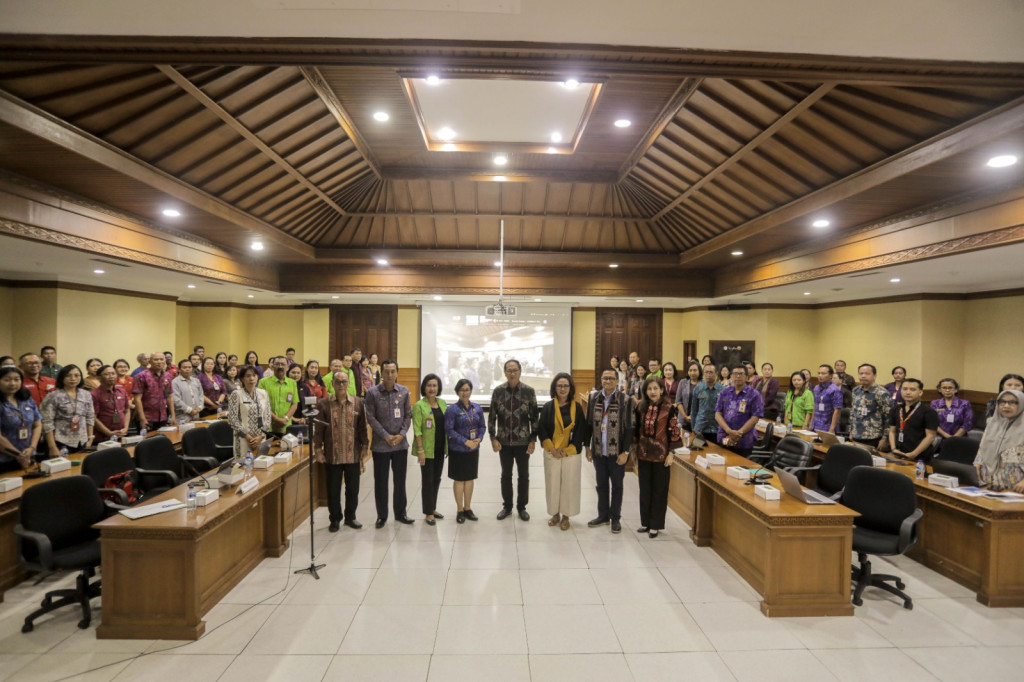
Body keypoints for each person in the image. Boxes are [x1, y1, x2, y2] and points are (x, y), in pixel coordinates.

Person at [313, 371, 368, 531]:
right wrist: (318, 449)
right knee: (333, 489)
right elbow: (319, 430)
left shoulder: (358, 403)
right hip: (332, 454)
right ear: (333, 384)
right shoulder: (324, 403)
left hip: (353, 454)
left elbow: (362, 427)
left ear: (349, 383)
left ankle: (350, 517)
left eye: (344, 382)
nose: (341, 385)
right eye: (338, 382)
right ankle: (335, 519)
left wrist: (365, 445)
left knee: (353, 489)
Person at [489, 359, 539, 521]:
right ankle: (507, 507)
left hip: (523, 442)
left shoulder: (529, 391)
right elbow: (492, 417)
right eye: (509, 370)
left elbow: (534, 418)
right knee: (506, 475)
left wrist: (533, 440)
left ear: (520, 371)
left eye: (515, 370)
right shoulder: (497, 391)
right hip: (503, 441)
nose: (512, 373)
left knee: (523, 475)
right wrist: (493, 438)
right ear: (504, 372)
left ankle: (521, 507)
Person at [539, 372, 590, 531]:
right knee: (553, 484)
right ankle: (555, 514)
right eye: (559, 386)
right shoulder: (548, 407)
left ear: (570, 388)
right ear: (555, 387)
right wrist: (552, 449)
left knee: (569, 484)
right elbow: (541, 429)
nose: (562, 389)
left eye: (565, 386)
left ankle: (566, 516)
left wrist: (568, 450)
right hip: (552, 452)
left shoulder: (577, 408)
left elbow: (582, 431)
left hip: (570, 454)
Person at [365, 359, 413, 527]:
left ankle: (401, 513)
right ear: (382, 373)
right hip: (380, 445)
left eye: (393, 371)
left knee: (400, 481)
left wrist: (401, 435)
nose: (390, 375)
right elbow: (370, 417)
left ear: (397, 373)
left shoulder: (404, 391)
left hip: (400, 445)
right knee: (381, 482)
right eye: (387, 371)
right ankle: (382, 516)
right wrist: (385, 435)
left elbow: (408, 415)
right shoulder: (372, 393)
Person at [585, 368, 633, 533]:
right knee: (601, 485)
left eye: (611, 378)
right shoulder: (594, 398)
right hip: (599, 450)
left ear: (616, 381)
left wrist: (625, 452)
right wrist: (587, 447)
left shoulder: (625, 400)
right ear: (601, 379)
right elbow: (589, 424)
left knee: (617, 486)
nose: (607, 381)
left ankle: (615, 518)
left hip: (617, 453)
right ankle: (603, 515)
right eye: (605, 378)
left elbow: (629, 428)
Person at [633, 376, 680, 539]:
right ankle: (645, 522)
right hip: (644, 453)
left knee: (659, 490)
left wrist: (672, 453)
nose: (652, 392)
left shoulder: (669, 408)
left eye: (655, 388)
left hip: (662, 455)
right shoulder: (641, 407)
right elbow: (636, 430)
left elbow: (674, 432)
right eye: (649, 389)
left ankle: (656, 524)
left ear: (661, 390)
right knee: (644, 488)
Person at [445, 378, 486, 524]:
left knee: (469, 479)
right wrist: (465, 441)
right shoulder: (452, 410)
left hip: (473, 449)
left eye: (467, 389)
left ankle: (468, 508)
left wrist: (479, 439)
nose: (465, 392)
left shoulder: (477, 408)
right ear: (457, 392)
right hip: (458, 450)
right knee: (459, 480)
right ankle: (459, 510)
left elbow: (482, 426)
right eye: (462, 390)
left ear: (471, 391)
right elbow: (449, 430)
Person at [413, 373, 447, 525]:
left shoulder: (442, 403)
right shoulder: (419, 405)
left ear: (438, 387)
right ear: (424, 388)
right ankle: (428, 512)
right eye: (429, 385)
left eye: (434, 385)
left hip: (440, 448)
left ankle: (432, 508)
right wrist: (420, 450)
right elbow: (417, 430)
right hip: (426, 450)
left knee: (437, 479)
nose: (432, 388)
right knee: (427, 481)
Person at [40, 364, 95, 457]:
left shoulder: (86, 394)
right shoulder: (53, 396)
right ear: (62, 377)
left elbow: (90, 416)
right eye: (68, 375)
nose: (73, 378)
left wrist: (90, 438)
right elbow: (47, 422)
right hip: (60, 441)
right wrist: (52, 447)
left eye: (77, 375)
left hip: (82, 440)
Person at [975, 389, 1024, 492]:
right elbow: (982, 448)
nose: (1006, 406)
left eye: (1012, 402)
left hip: (1016, 486)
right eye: (1002, 402)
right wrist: (976, 464)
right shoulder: (992, 423)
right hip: (987, 481)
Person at [715, 365, 764, 457]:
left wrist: (737, 434)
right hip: (724, 436)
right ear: (731, 376)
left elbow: (755, 418)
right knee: (721, 467)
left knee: (741, 469)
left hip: (744, 440)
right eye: (735, 374)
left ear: (747, 377)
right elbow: (717, 414)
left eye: (741, 374)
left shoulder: (754, 395)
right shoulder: (724, 392)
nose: (738, 376)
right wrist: (728, 430)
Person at [0, 366, 42, 472]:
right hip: (5, 460)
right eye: (7, 380)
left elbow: (37, 424)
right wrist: (19, 455)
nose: (12, 383)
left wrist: (32, 448)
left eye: (16, 379)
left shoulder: (26, 398)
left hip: (28, 454)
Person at [888, 378, 939, 463]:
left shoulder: (929, 412)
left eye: (912, 389)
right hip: (898, 454)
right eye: (904, 389)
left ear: (920, 392)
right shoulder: (896, 409)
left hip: (920, 457)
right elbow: (892, 431)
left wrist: (913, 454)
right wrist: (893, 449)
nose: (908, 392)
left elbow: (930, 437)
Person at [227, 365, 271, 458]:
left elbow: (267, 416)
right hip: (243, 439)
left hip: (260, 438)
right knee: (243, 467)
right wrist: (248, 437)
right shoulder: (237, 394)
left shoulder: (263, 393)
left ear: (257, 377)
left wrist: (261, 436)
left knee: (261, 466)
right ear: (242, 379)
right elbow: (232, 419)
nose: (251, 378)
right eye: (248, 376)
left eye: (254, 375)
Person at [848, 363, 894, 450]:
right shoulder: (856, 390)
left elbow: (889, 418)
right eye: (861, 373)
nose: (863, 376)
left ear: (874, 375)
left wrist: (885, 439)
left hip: (873, 437)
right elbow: (852, 412)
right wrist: (851, 431)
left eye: (867, 373)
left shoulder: (882, 393)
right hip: (856, 434)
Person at [133, 350, 176, 430]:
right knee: (147, 442)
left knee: (162, 440)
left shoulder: (168, 376)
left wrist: (173, 415)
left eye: (161, 359)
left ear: (165, 361)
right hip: (147, 417)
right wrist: (142, 419)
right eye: (156, 360)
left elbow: (169, 396)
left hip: (163, 416)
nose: (159, 362)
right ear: (150, 361)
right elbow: (137, 399)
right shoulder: (141, 376)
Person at [258, 357, 299, 439]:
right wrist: (276, 419)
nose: (280, 366)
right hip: (269, 427)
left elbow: (294, 403)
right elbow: (261, 404)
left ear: (287, 367)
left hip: (287, 426)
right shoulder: (263, 382)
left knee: (287, 450)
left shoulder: (292, 383)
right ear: (272, 367)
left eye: (283, 364)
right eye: (277, 364)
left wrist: (286, 419)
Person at [91, 364, 131, 441]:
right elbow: (93, 417)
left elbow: (127, 411)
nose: (111, 376)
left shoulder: (122, 391)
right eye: (107, 374)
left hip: (121, 433)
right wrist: (109, 433)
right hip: (103, 436)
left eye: (113, 373)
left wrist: (125, 428)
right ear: (99, 377)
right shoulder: (94, 394)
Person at [932, 378, 973, 445]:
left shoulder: (965, 404)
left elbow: (967, 423)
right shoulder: (935, 404)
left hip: (960, 439)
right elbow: (932, 422)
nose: (947, 390)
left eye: (950, 388)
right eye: (944, 388)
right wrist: (946, 436)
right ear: (939, 389)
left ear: (956, 389)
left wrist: (954, 438)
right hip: (940, 439)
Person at [691, 364, 724, 444]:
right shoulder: (698, 388)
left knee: (715, 453)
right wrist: (693, 428)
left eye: (711, 372)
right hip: (700, 428)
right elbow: (694, 410)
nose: (708, 374)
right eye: (706, 372)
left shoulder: (722, 389)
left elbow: (725, 410)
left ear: (716, 374)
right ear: (703, 374)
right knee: (697, 451)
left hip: (716, 428)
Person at [812, 364, 843, 433]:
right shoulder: (816, 388)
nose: (820, 375)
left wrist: (832, 429)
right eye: (819, 373)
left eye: (823, 373)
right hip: (815, 425)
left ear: (831, 376)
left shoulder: (835, 390)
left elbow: (837, 410)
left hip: (827, 426)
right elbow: (815, 406)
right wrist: (811, 425)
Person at [172, 358, 205, 423]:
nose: (187, 369)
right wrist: (189, 410)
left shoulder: (196, 381)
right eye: (184, 367)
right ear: (179, 369)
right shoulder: (175, 382)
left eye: (189, 367)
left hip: (196, 415)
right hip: (182, 417)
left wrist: (199, 408)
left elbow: (201, 395)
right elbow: (176, 400)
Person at [675, 361, 702, 427]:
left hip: (698, 420)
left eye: (695, 370)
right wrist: (685, 416)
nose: (692, 373)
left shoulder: (703, 384)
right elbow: (678, 401)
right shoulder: (682, 382)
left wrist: (694, 417)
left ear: (699, 371)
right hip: (683, 419)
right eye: (690, 370)